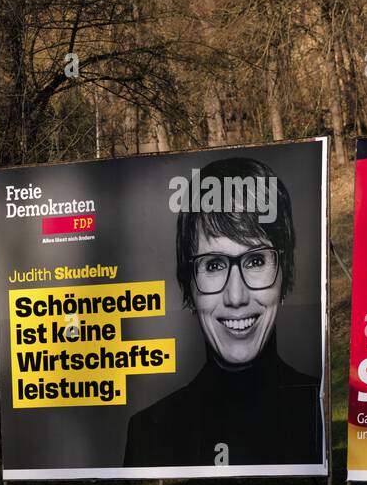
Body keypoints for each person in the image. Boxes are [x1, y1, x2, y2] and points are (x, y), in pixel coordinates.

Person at [124, 157, 323, 468]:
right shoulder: (150, 431)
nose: (236, 296)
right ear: (188, 284)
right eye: (213, 265)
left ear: (286, 274)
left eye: (256, 261)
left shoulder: (318, 412)